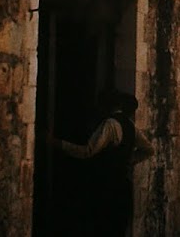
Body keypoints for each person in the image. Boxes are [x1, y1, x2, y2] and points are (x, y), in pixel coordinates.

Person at [52, 90, 153, 237]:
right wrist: (128, 160)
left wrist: (57, 143)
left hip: (107, 185)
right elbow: (148, 149)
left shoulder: (110, 124)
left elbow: (88, 151)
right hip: (123, 185)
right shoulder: (131, 126)